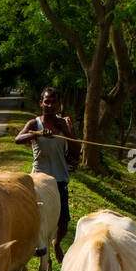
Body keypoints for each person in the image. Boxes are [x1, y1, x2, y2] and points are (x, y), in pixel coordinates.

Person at [15, 86, 80, 260]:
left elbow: (77, 148)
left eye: (53, 102)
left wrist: (65, 132)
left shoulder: (64, 124)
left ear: (59, 104)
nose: (49, 105)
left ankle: (56, 243)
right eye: (47, 101)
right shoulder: (34, 123)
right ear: (41, 103)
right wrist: (37, 134)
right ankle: (41, 250)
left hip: (60, 178)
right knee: (40, 216)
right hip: (39, 179)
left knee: (63, 221)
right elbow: (17, 139)